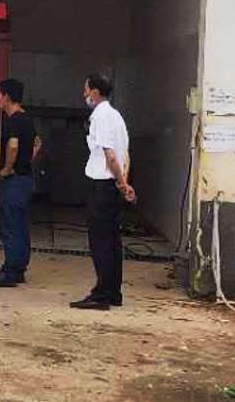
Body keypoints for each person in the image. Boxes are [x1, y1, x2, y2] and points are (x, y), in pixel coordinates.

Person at [71, 72, 134, 310]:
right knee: (113, 241)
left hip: (102, 186)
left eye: (86, 89)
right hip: (113, 185)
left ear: (95, 92)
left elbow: (110, 155)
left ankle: (103, 294)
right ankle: (113, 291)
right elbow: (125, 154)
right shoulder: (117, 116)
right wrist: (124, 182)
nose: (84, 94)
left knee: (100, 242)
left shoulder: (100, 116)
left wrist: (120, 182)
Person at [0, 77, 41, 288]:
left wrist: (7, 168)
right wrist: (27, 160)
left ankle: (10, 271)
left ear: (6, 97)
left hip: (14, 180)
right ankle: (19, 268)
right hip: (26, 179)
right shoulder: (27, 119)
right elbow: (37, 143)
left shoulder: (13, 120)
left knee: (11, 226)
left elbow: (13, 146)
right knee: (20, 225)